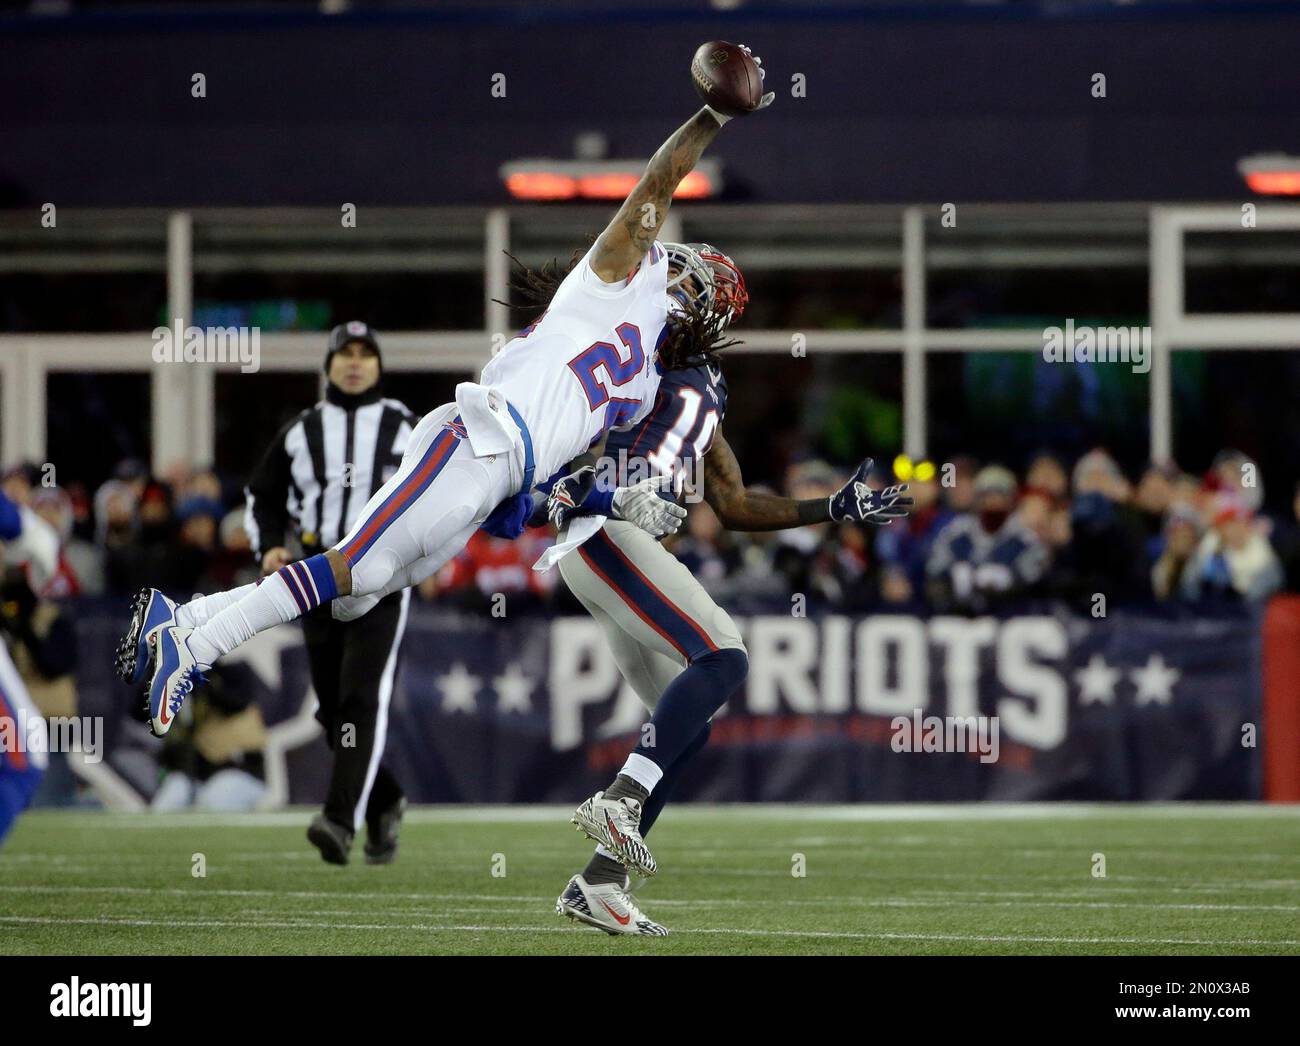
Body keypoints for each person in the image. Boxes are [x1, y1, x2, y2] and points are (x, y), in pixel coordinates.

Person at [511, 240, 910, 933]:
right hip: (603, 534)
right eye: (703, 290)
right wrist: (599, 491)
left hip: (611, 545)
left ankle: (600, 881)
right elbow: (571, 433)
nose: (709, 305)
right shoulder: (632, 346)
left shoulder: (700, 380)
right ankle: (622, 797)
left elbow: (733, 503)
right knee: (724, 656)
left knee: (687, 720)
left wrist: (830, 508)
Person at [241, 323, 419, 864]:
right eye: (346, 353)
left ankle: (340, 821)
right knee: (330, 710)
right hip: (317, 573)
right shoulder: (301, 431)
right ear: (329, 366)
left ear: (379, 366)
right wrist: (269, 546)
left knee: (361, 699)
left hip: (383, 577)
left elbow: (437, 494)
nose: (356, 362)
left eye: (367, 353)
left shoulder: (408, 426)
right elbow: (262, 496)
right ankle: (384, 799)